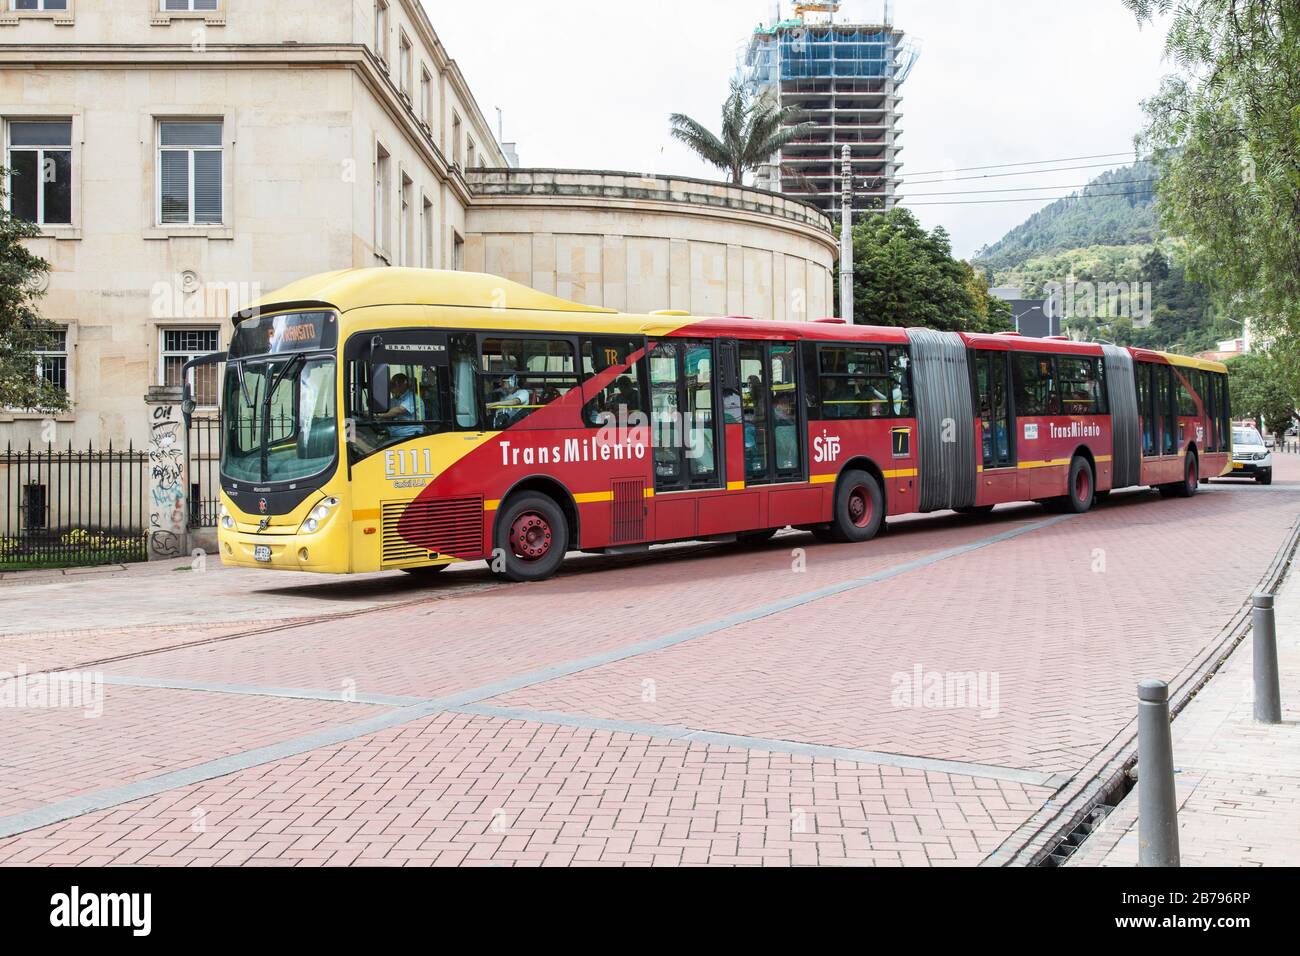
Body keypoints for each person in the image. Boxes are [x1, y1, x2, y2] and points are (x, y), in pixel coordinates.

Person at [372, 372, 424, 441]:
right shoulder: (394, 400)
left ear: (404, 384)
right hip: (394, 434)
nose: (392, 387)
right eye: (392, 384)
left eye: (394, 384)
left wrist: (378, 415)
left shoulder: (413, 398)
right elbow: (386, 411)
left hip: (409, 436)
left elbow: (399, 410)